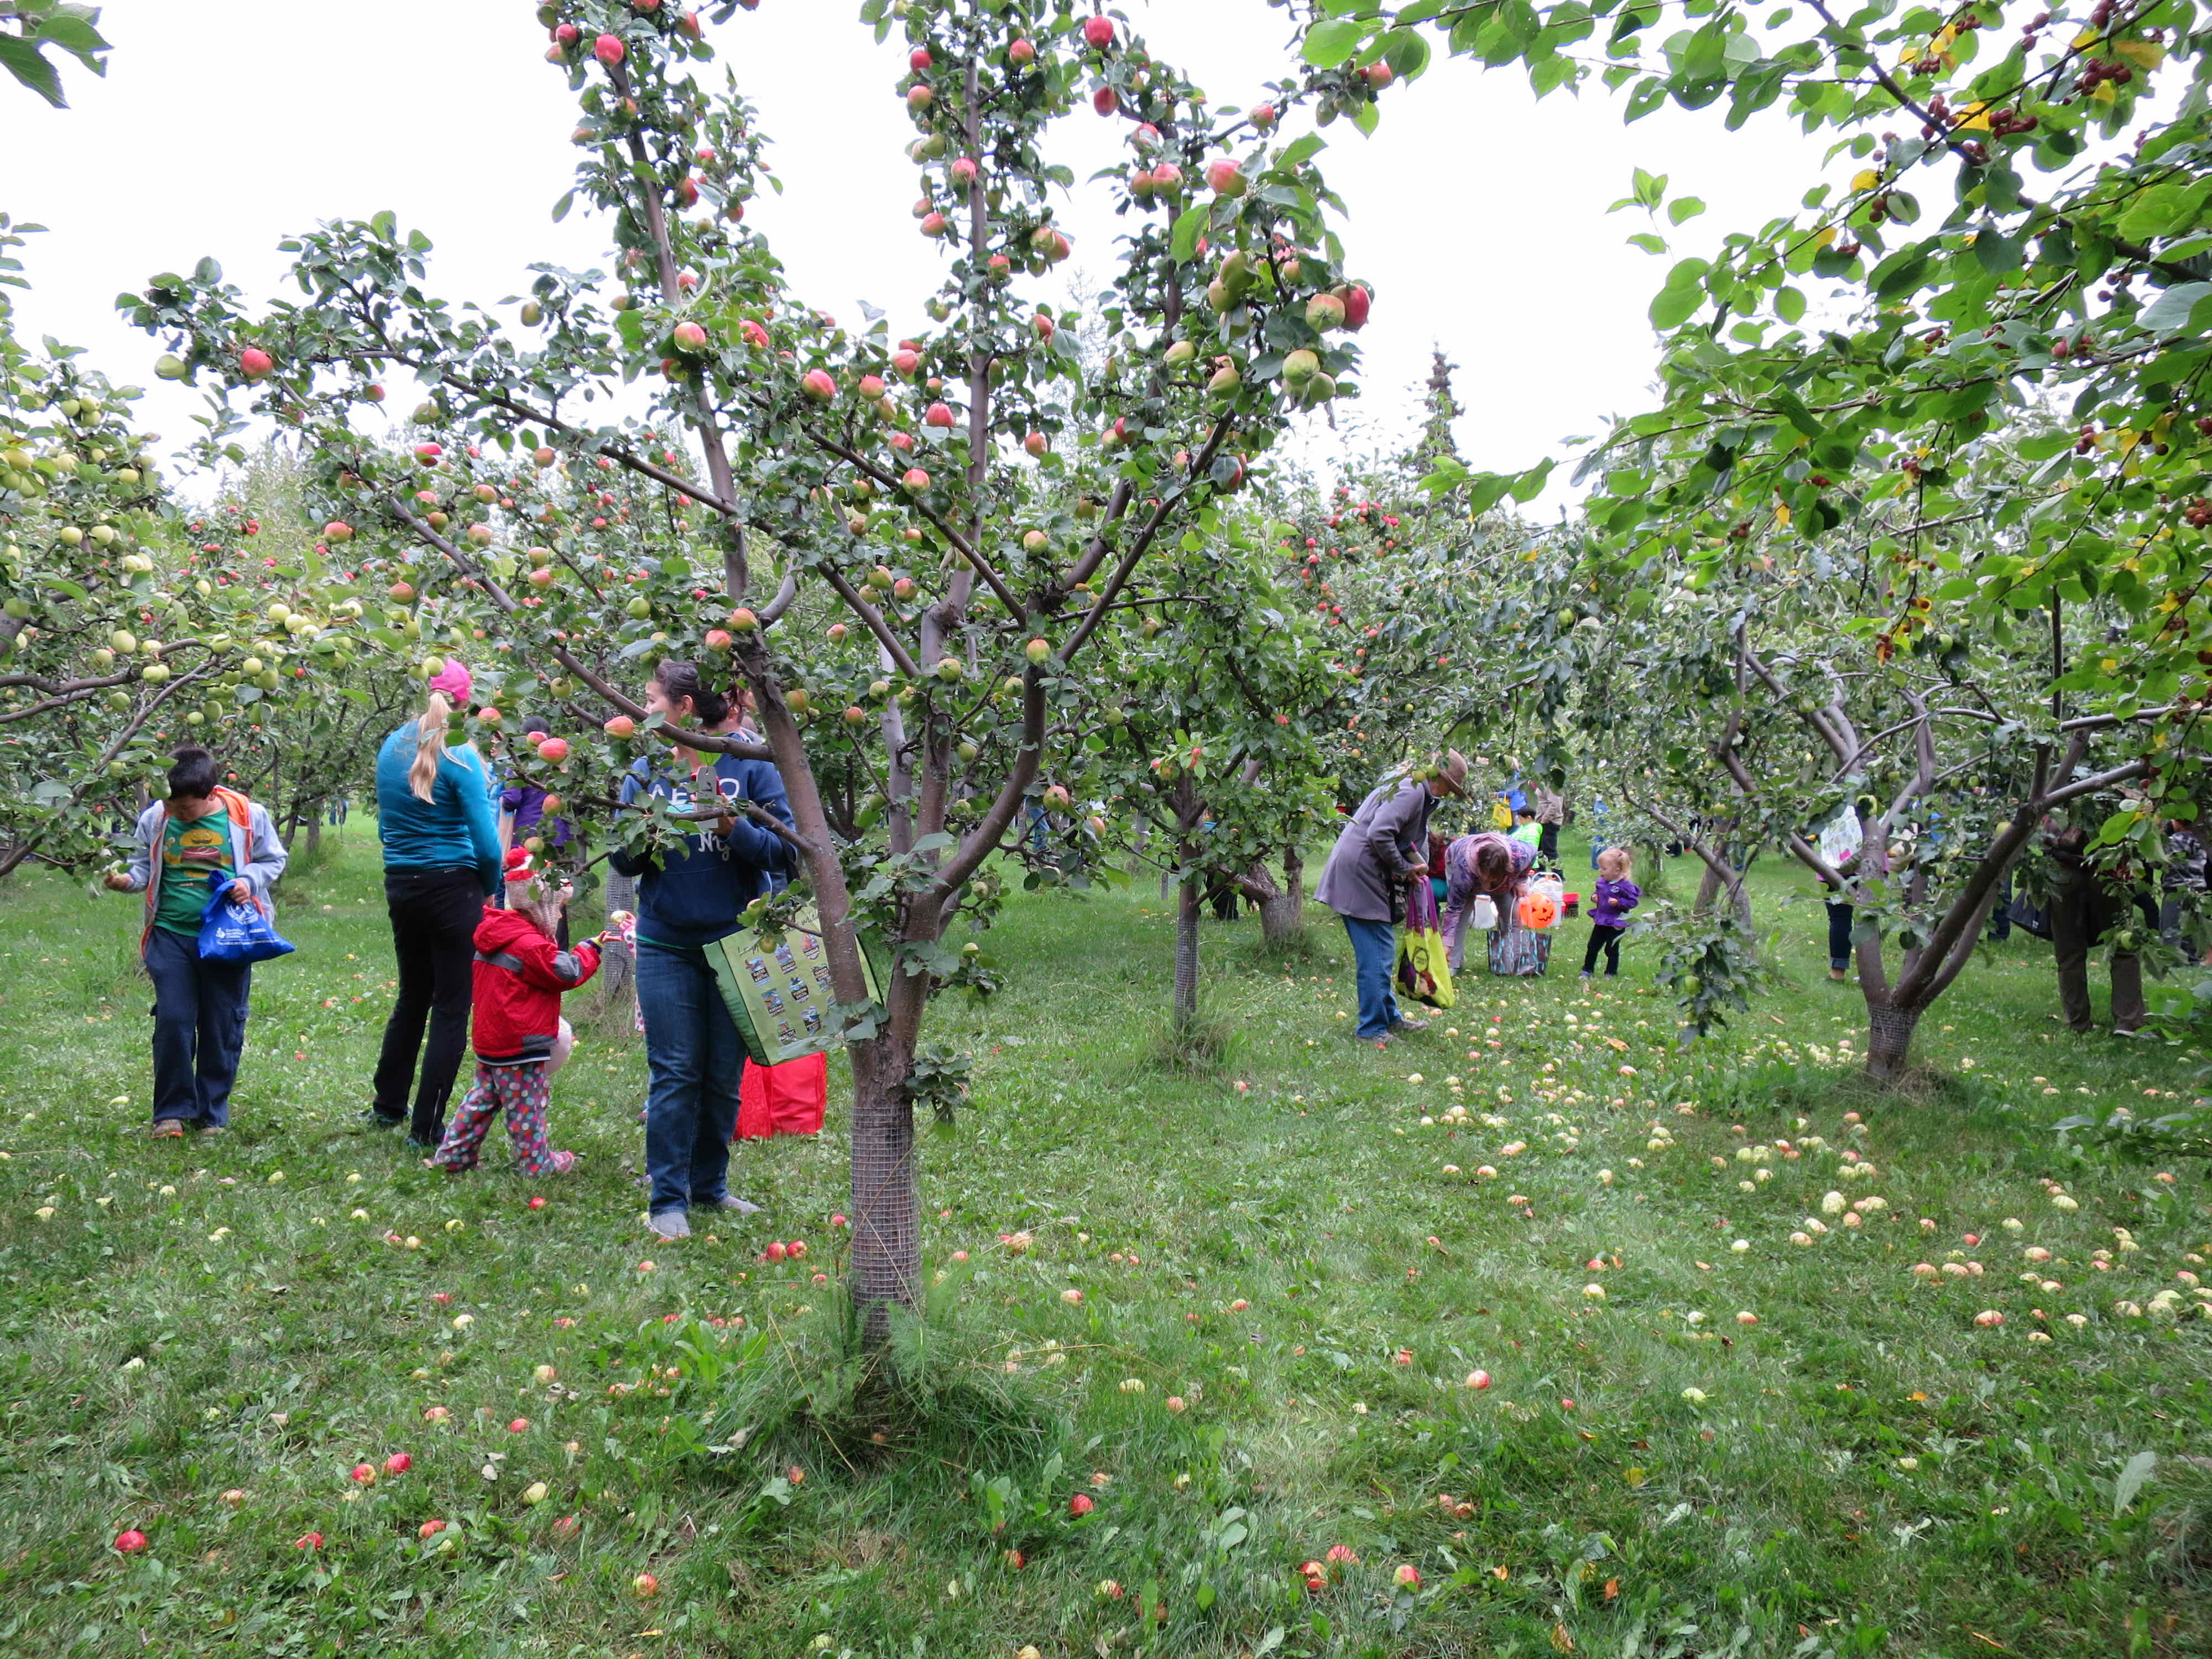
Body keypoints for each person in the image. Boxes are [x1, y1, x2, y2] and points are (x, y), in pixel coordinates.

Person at [612, 661, 797, 1240]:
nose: (646, 709)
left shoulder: (749, 767)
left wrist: (730, 828)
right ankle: (668, 1197)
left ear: (683, 707)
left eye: (651, 699)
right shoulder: (644, 772)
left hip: (733, 945)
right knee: (674, 1070)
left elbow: (786, 852)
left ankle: (710, 1187)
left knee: (721, 1074)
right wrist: (646, 829)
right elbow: (622, 861)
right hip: (667, 944)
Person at [105, 745, 289, 1138]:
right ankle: (170, 1111)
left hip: (228, 937)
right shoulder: (157, 817)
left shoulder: (246, 817)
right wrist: (125, 882)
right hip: (171, 934)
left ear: (210, 794)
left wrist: (248, 881)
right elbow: (140, 868)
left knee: (222, 1024)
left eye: (184, 809)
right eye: (169, 805)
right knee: (173, 1020)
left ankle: (212, 1114)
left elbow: (273, 859)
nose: (174, 814)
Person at [367, 664, 504, 1150]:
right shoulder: (462, 752)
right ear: (466, 703)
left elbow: (386, 827)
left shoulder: (392, 744)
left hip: (401, 884)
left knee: (413, 996)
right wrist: (490, 888)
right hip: (453, 888)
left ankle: (387, 1106)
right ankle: (426, 1127)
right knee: (451, 1007)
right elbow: (488, 845)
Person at [426, 848, 611, 1178]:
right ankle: (537, 1165)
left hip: (491, 1038)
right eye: (558, 907)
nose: (559, 915)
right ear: (542, 905)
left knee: (481, 1101)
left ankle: (454, 1156)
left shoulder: (496, 930)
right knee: (528, 1106)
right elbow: (565, 973)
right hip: (519, 1042)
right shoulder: (530, 945)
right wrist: (590, 949)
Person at [1316, 750, 1468, 1045]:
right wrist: (1405, 868)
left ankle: (1389, 1017)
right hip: (1360, 875)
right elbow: (1380, 834)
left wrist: (1413, 859)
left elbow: (1398, 834)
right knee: (1378, 954)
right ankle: (1371, 1029)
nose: (1448, 794)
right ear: (1439, 778)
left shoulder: (1412, 787)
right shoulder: (1410, 790)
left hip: (1367, 874)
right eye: (1449, 787)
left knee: (1380, 951)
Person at [2047, 822, 2146, 1036]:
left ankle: (2078, 1022)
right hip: (2107, 872)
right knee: (2123, 948)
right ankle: (2128, 1022)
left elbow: (2044, 829)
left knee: (2069, 952)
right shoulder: (2110, 791)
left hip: (2064, 873)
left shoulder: (2056, 790)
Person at [1442, 829, 1541, 975]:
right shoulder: (1463, 870)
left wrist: (1521, 880)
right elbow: (1454, 910)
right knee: (1462, 915)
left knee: (1511, 913)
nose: (1487, 882)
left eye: (1492, 878)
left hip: (1504, 879)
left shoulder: (1519, 856)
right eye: (1485, 876)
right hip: (1463, 865)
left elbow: (1534, 852)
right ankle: (1453, 964)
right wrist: (1446, 942)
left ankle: (1510, 962)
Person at [1580, 847, 1641, 980]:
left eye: (1604, 869)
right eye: (1600, 868)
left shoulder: (1626, 886)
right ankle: (1587, 970)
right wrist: (1594, 897)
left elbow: (1633, 902)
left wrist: (1619, 903)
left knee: (1611, 949)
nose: (1600, 871)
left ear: (1617, 870)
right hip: (1601, 920)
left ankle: (1611, 972)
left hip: (1616, 922)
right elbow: (1599, 893)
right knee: (1592, 946)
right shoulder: (1602, 882)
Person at [1533, 783, 1565, 865]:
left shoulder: (1551, 785)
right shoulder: (1543, 783)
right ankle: (1539, 874)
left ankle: (1558, 876)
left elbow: (1555, 805)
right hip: (1541, 822)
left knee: (1549, 851)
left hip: (1550, 822)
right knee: (1539, 850)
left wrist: (1545, 819)